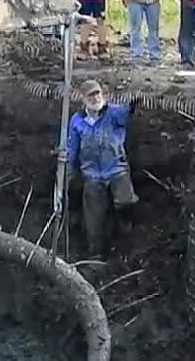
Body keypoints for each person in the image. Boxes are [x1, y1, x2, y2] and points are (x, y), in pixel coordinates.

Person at [67, 79, 139, 260]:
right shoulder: (77, 121)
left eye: (97, 93)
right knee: (94, 218)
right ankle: (95, 253)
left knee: (125, 201)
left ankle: (125, 225)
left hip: (116, 168)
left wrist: (132, 104)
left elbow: (125, 112)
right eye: (91, 95)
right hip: (92, 174)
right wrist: (70, 171)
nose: (95, 97)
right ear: (83, 98)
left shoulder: (113, 113)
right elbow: (73, 148)